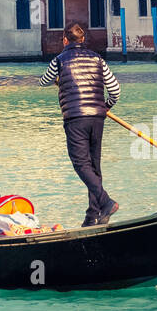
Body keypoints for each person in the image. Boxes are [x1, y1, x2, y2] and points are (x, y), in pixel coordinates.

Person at [40, 22, 122, 227]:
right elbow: (115, 90)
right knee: (94, 166)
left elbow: (43, 81)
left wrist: (56, 79)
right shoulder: (98, 59)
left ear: (65, 40)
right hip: (97, 117)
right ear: (83, 40)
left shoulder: (58, 60)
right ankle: (93, 216)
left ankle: (105, 201)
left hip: (75, 118)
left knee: (81, 164)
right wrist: (106, 106)